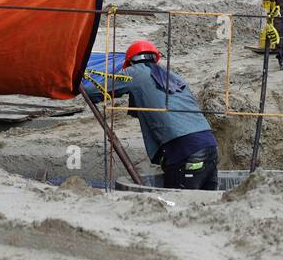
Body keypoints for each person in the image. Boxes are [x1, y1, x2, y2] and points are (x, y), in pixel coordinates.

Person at [91, 40, 219, 190]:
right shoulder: (172, 76)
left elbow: (97, 88)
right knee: (204, 206)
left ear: (131, 62)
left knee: (175, 205)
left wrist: (78, 83)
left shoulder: (136, 72)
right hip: (210, 147)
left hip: (186, 151)